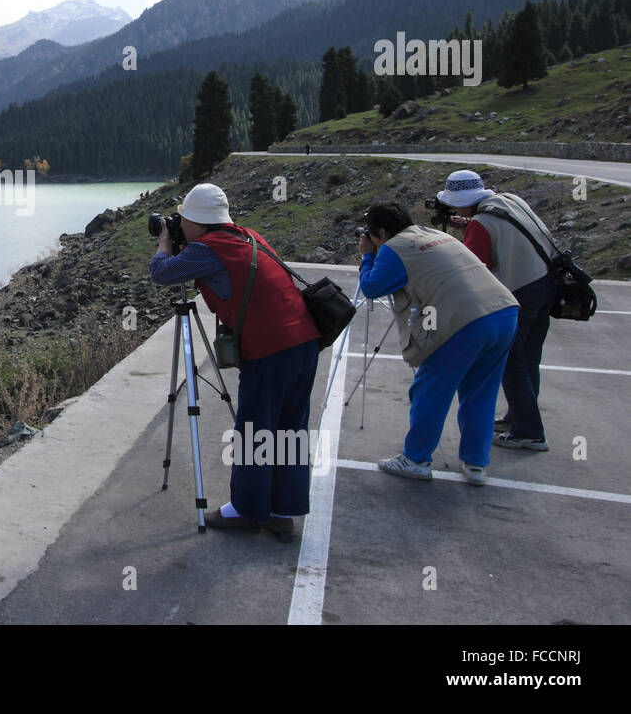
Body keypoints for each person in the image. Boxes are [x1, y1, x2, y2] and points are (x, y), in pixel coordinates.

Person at [150, 183, 320, 538]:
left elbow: (162, 273)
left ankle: (245, 510)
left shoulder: (207, 249)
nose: (180, 224)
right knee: (289, 428)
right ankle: (281, 511)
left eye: (182, 219)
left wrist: (165, 242)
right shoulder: (247, 236)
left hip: (270, 349)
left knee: (256, 431)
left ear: (195, 221)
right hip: (304, 341)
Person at [358, 203, 518, 485]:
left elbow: (372, 288)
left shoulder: (394, 247)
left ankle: (416, 458)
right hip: (503, 312)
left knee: (431, 389)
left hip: (463, 321)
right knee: (481, 392)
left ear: (381, 232)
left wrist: (367, 257)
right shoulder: (430, 233)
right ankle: (476, 464)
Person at [440, 170, 557, 452]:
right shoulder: (509, 201)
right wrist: (469, 225)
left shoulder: (481, 223)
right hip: (548, 282)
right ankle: (519, 416)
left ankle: (528, 431)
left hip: (521, 290)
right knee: (529, 356)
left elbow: (473, 269)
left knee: (510, 359)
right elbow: (508, 233)